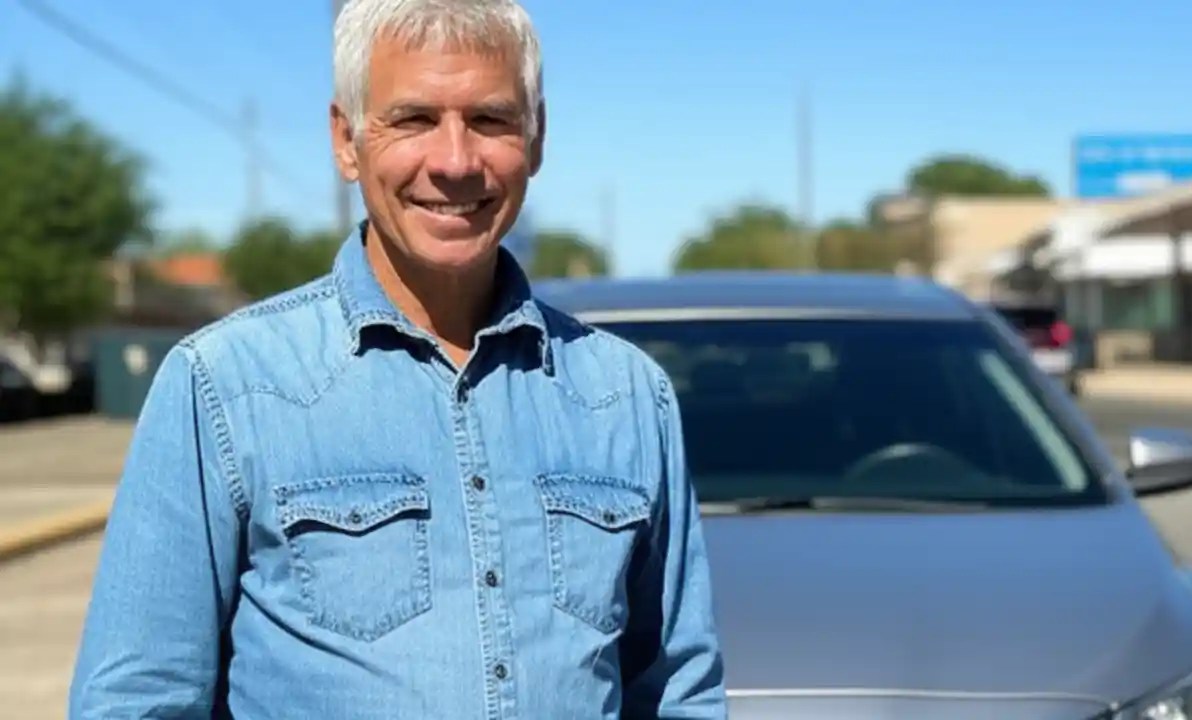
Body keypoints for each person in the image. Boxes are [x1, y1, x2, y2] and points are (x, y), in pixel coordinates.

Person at [67, 0, 727, 716]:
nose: (454, 161)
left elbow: (675, 690)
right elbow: (137, 699)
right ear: (347, 140)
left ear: (536, 140)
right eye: (413, 119)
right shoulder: (225, 387)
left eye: (490, 119)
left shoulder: (627, 396)